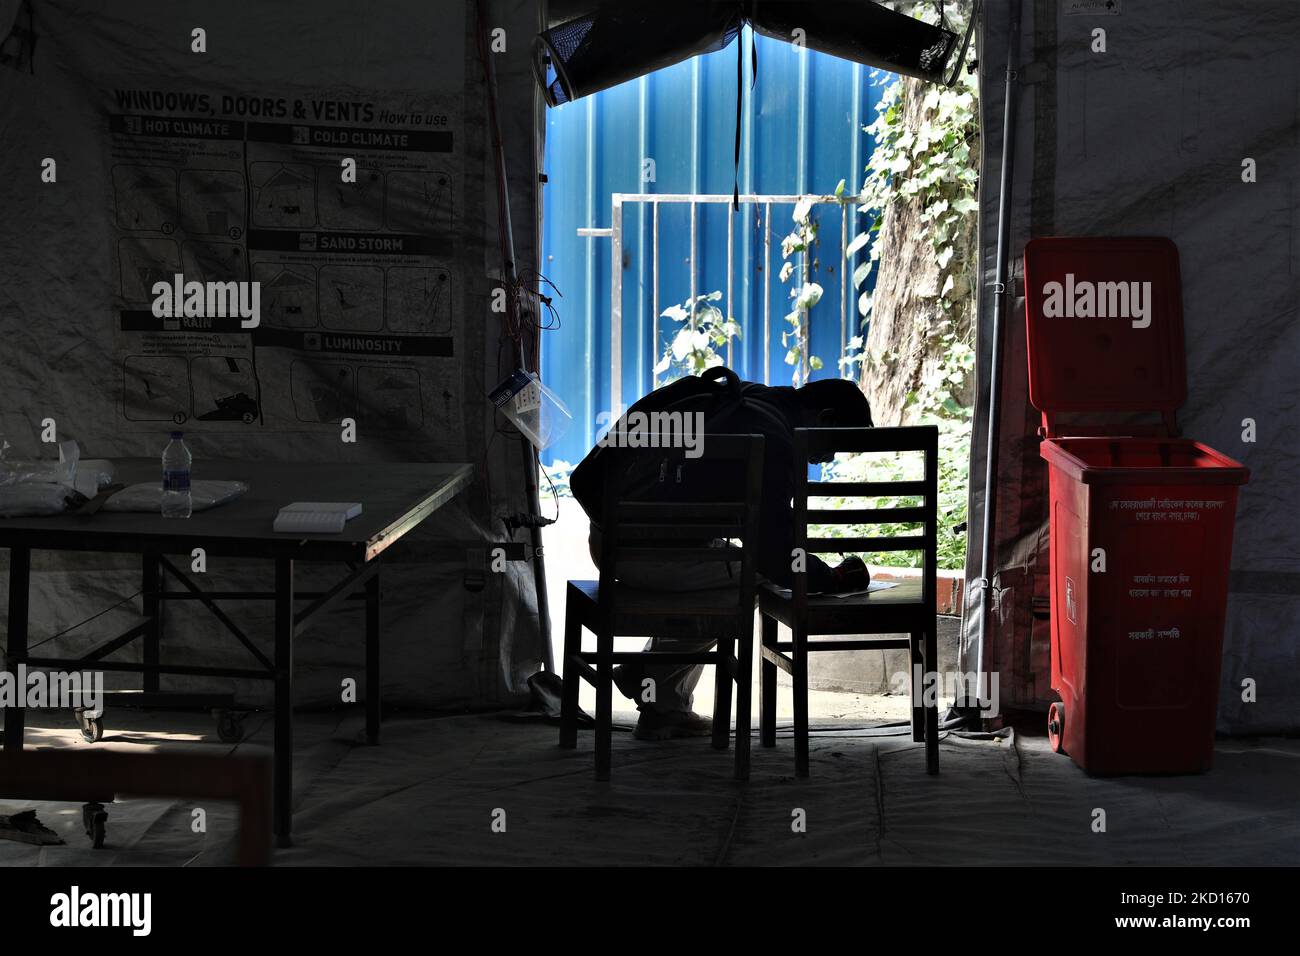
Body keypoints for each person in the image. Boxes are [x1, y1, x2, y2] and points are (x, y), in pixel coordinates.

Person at [570, 366, 874, 740]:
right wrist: (831, 578)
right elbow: (775, 556)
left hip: (610, 538)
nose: (824, 461)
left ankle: (656, 694)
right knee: (755, 580)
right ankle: (655, 688)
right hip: (648, 556)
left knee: (735, 567)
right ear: (824, 419)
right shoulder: (775, 441)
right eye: (831, 449)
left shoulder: (747, 396)